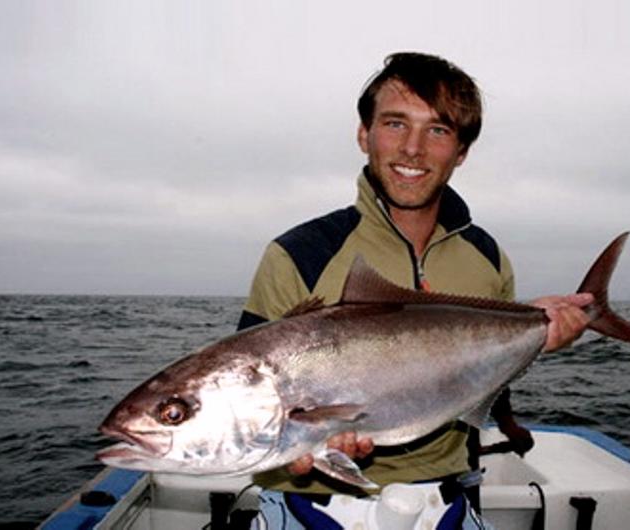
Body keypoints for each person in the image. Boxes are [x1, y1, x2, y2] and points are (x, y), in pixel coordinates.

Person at [238, 51, 592, 529]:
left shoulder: (486, 256)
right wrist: (296, 452)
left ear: (461, 151)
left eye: (439, 130)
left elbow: (483, 379)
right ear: (364, 134)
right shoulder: (299, 254)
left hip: (446, 496)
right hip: (311, 500)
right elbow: (249, 398)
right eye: (395, 124)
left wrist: (535, 334)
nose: (413, 149)